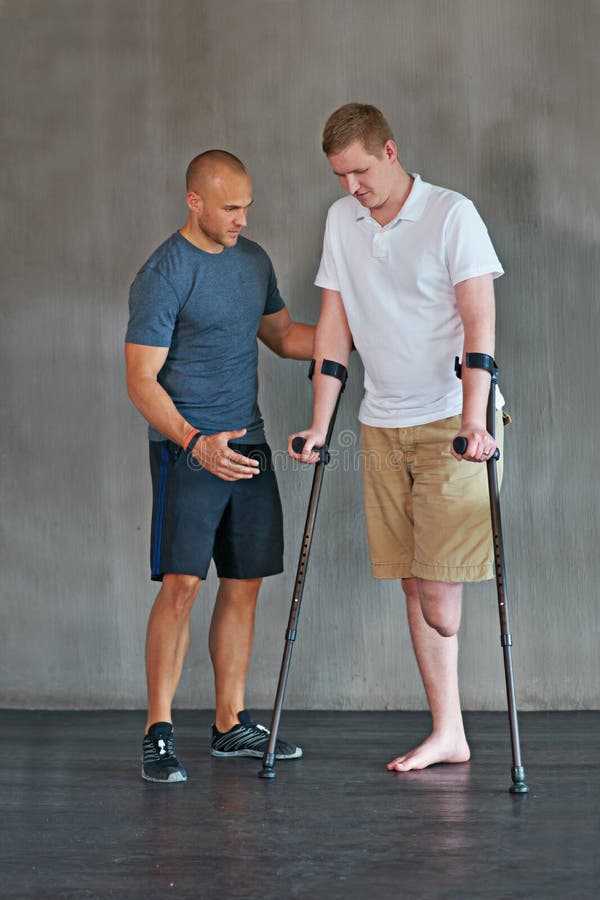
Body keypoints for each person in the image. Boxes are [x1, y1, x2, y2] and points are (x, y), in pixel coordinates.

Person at [290, 104, 506, 772]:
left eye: (359, 171)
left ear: (389, 151)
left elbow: (479, 323)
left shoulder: (451, 215)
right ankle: (449, 732)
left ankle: (451, 727)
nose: (351, 187)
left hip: (450, 420)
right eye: (339, 176)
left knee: (440, 598)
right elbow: (335, 324)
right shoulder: (341, 221)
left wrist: (476, 419)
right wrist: (320, 425)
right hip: (380, 421)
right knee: (413, 583)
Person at [126, 150, 313, 782]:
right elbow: (140, 380)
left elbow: (286, 338)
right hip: (189, 452)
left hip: (250, 447)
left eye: (247, 208)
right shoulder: (164, 272)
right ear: (194, 201)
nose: (241, 219)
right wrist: (195, 441)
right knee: (182, 587)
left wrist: (370, 329)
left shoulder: (253, 261)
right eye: (230, 208)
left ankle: (230, 725)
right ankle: (158, 730)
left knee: (244, 583)